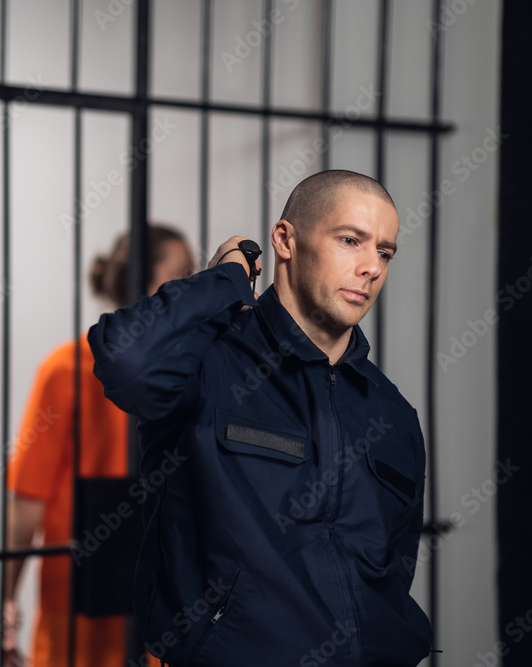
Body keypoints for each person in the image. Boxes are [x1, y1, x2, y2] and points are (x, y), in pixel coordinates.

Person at [89, 170, 433, 666]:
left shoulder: (393, 413)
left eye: (383, 252)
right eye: (350, 240)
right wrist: (225, 280)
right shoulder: (209, 363)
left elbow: (393, 571)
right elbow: (126, 360)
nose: (370, 267)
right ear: (285, 241)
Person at [3, 226, 193, 667]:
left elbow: (28, 499)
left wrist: (7, 600)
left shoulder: (194, 370)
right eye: (183, 272)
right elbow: (28, 499)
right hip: (87, 598)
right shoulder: (67, 369)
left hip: (155, 591)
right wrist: (8, 603)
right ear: (144, 283)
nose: (195, 284)